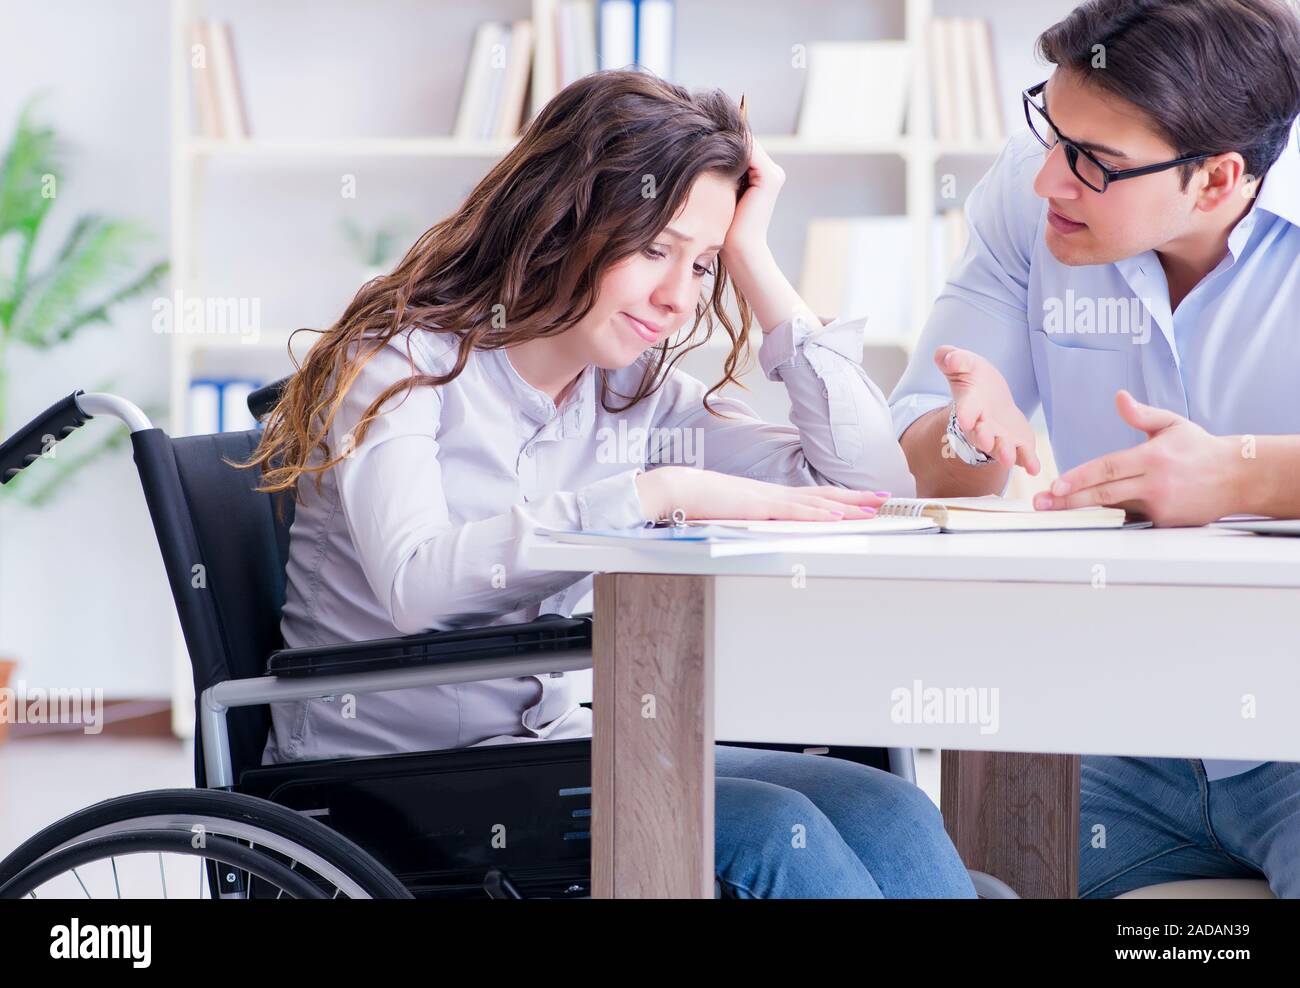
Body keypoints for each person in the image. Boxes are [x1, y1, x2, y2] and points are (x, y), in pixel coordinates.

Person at [240, 69, 974, 898]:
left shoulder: (632, 390)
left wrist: (753, 254)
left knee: (887, 807)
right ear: (561, 220)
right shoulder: (400, 362)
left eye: (701, 267)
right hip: (384, 783)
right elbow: (419, 588)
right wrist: (651, 495)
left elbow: (866, 477)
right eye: (655, 248)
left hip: (551, 750)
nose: (675, 299)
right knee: (770, 832)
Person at [888, 0, 1300, 896]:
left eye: (1095, 163)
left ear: (1220, 179)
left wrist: (1243, 473)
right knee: (942, 873)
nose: (1049, 182)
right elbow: (924, 462)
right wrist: (973, 432)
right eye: (1051, 130)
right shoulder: (1029, 195)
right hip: (1112, 721)